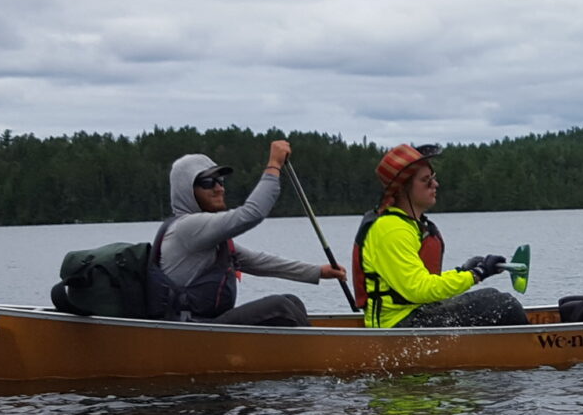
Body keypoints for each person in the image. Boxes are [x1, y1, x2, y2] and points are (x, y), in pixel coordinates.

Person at [150, 141, 347, 327]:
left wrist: (318, 272)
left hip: (208, 326)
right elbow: (251, 214)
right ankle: (328, 357)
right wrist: (273, 166)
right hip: (190, 331)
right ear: (187, 190)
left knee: (291, 301)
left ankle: (307, 356)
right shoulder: (187, 227)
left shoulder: (209, 238)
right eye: (209, 182)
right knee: (280, 307)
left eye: (220, 181)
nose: (219, 188)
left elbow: (257, 262)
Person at [350, 143, 528, 328]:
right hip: (398, 326)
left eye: (433, 178)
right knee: (504, 305)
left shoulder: (407, 224)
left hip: (417, 315)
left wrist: (462, 271)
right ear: (402, 189)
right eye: (426, 180)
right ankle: (537, 349)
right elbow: (419, 289)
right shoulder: (392, 230)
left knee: (493, 298)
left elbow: (422, 284)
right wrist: (477, 274)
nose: (435, 184)